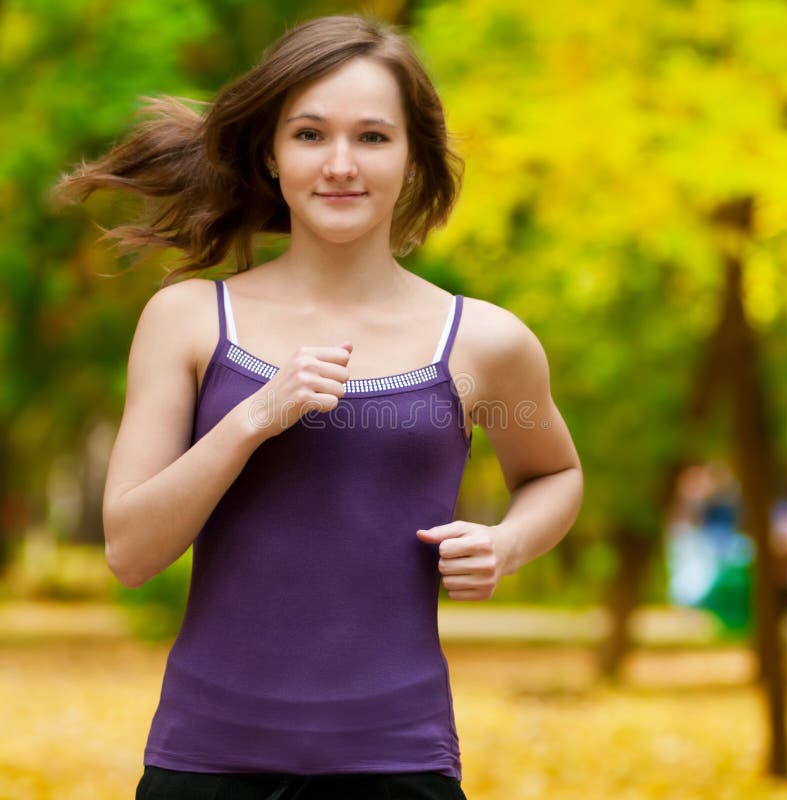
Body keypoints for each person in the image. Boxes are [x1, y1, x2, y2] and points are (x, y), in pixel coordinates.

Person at [52, 13, 583, 800]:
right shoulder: (190, 321)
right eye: (309, 135)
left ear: (412, 159)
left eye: (372, 137)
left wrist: (507, 543)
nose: (340, 164)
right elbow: (131, 553)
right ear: (271, 153)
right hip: (206, 763)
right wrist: (252, 419)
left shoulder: (484, 344)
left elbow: (555, 475)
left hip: (400, 767)